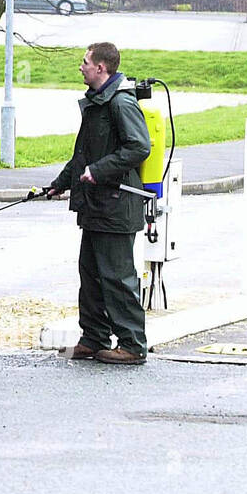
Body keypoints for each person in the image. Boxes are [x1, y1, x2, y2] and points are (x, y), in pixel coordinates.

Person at [46, 42, 152, 365]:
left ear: (101, 68)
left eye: (85, 62)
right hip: (96, 207)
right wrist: (60, 184)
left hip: (117, 205)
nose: (81, 67)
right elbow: (83, 157)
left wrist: (99, 171)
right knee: (90, 273)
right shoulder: (98, 102)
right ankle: (93, 338)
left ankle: (132, 345)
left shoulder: (120, 102)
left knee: (118, 277)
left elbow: (139, 147)